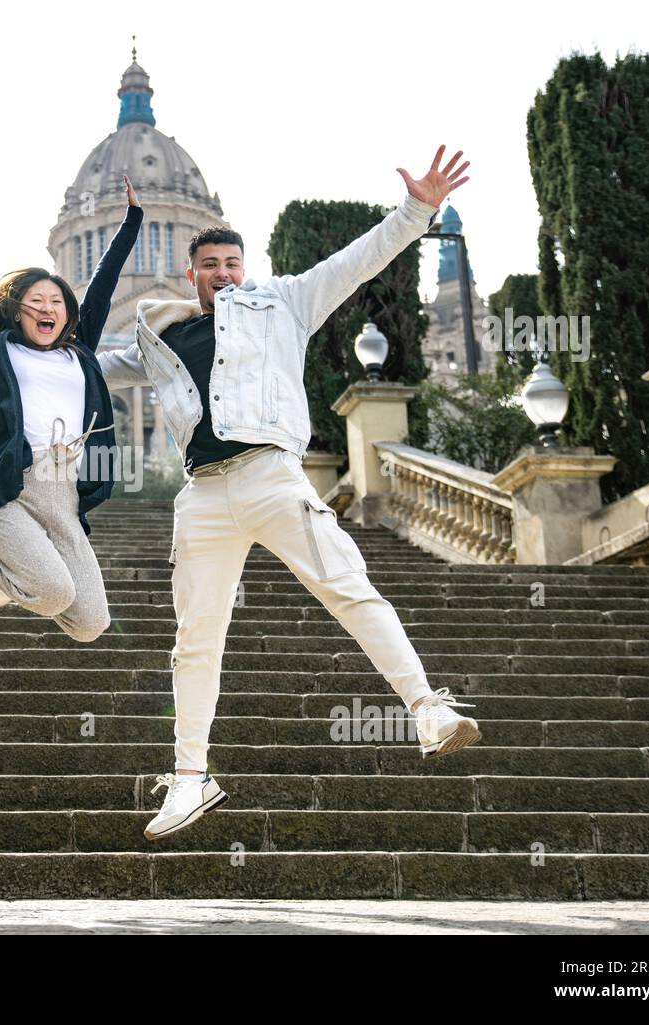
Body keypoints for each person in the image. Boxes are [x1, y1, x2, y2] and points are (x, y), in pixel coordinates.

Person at [99, 146, 482, 840]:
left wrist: (417, 210)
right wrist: (12, 349)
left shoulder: (281, 302)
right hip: (203, 493)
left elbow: (355, 260)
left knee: (348, 583)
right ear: (191, 273)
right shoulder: (161, 332)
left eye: (231, 263)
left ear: (243, 270)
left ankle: (427, 706)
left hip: (272, 472)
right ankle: (190, 777)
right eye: (209, 265)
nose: (221, 274)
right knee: (195, 639)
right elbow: (86, 365)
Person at [0, 175, 144, 641]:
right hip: (13, 490)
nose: (47, 308)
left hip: (64, 495)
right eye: (35, 302)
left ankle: (1, 576)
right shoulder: (1, 351)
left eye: (56, 301)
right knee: (51, 593)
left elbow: (104, 287)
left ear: (67, 312)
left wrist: (133, 221)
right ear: (16, 311)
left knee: (90, 624)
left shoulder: (81, 352)